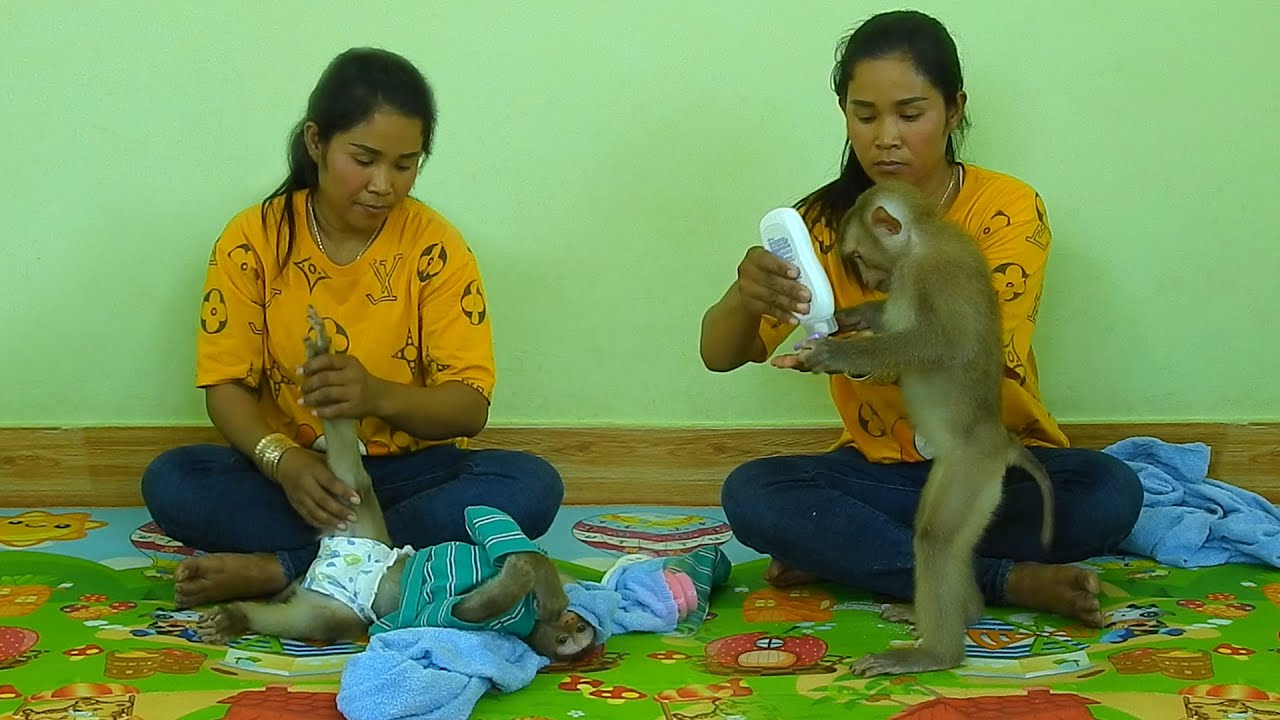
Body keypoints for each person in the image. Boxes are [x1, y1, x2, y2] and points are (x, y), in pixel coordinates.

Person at [701, 10, 1142, 628]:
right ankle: (1001, 579)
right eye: (865, 114)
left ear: (954, 110)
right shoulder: (823, 223)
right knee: (753, 494)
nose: (887, 137)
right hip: (881, 475)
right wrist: (746, 296)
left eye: (911, 114)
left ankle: (859, 553)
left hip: (990, 464)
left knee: (1110, 491)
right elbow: (719, 353)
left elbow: (963, 352)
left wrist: (843, 353)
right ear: (845, 114)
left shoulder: (1005, 208)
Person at [141, 47, 564, 610]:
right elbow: (225, 387)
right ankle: (374, 567)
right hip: (302, 481)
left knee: (530, 484)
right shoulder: (254, 239)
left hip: (409, 477)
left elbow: (468, 408)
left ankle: (286, 567)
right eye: (363, 159)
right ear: (317, 142)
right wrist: (284, 463)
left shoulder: (434, 246)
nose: (383, 184)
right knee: (173, 477)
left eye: (404, 164)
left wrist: (375, 394)